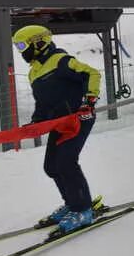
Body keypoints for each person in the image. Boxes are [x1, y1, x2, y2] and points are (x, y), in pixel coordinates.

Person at [12, 25, 102, 234]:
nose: (21, 51)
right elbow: (42, 104)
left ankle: (83, 210)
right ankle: (72, 203)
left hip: (79, 118)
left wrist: (89, 101)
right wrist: (37, 121)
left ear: (39, 42)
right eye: (18, 46)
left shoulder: (61, 60)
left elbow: (92, 74)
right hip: (60, 124)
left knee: (66, 162)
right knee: (51, 166)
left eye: (23, 45)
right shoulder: (34, 72)